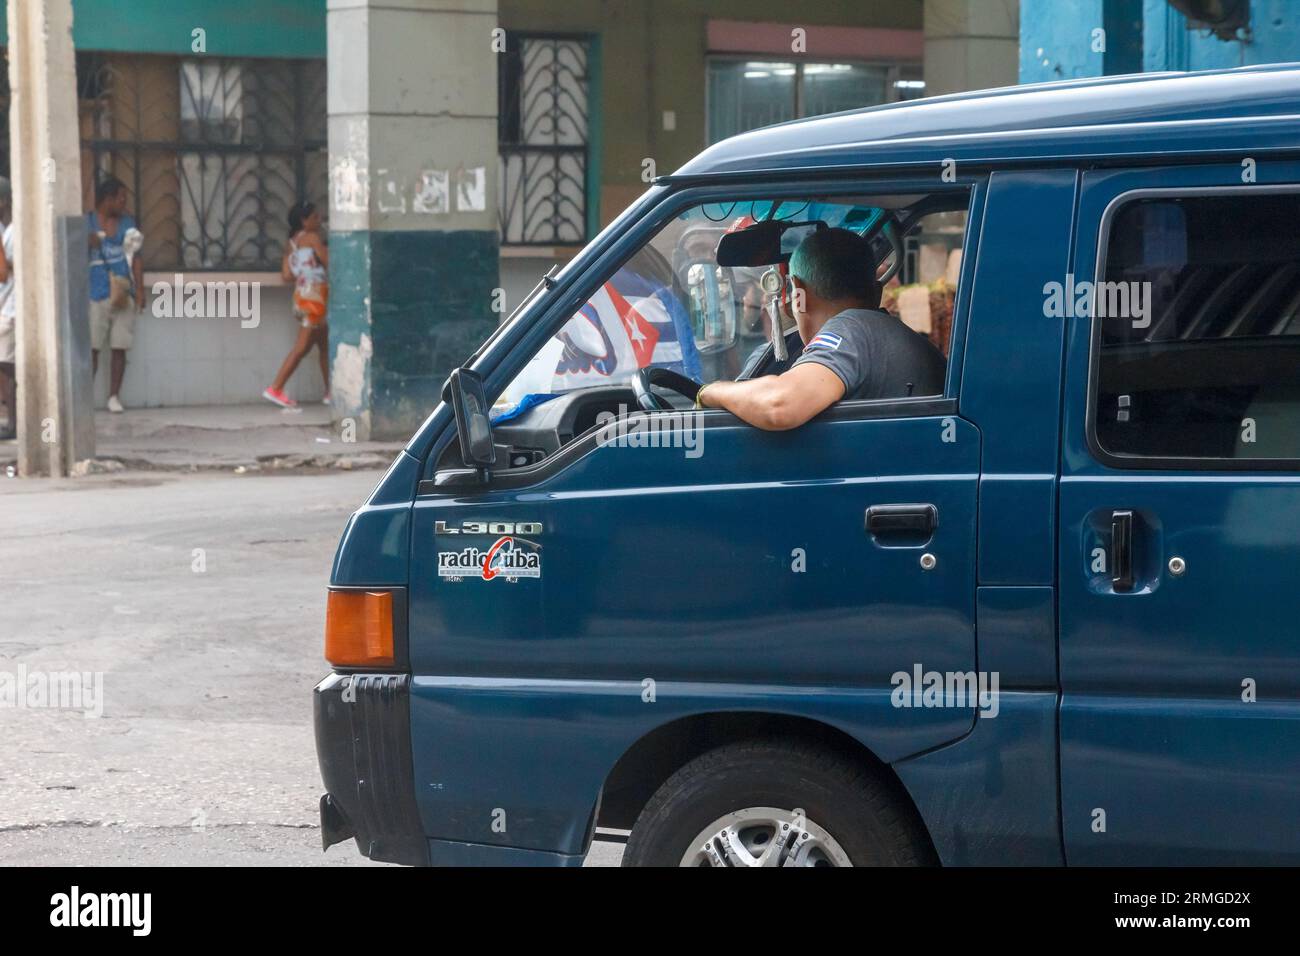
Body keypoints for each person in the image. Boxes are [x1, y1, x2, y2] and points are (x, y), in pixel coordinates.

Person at [696, 227, 945, 430]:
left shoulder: (850, 330)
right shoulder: (904, 340)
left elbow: (779, 406)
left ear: (798, 292)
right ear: (877, 292)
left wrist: (710, 392)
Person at [263, 202, 329, 408]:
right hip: (315, 298)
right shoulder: (312, 238)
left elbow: (286, 275)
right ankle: (276, 388)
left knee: (323, 345)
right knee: (301, 347)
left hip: (301, 296)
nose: (319, 221)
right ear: (304, 220)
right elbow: (328, 262)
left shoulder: (291, 243)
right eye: (315, 217)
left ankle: (330, 392)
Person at [88, 176, 145, 413]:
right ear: (108, 199)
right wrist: (85, 243)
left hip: (123, 292)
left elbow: (137, 258)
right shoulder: (87, 223)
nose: (124, 203)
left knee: (119, 347)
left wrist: (140, 290)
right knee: (92, 347)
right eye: (120, 198)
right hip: (95, 293)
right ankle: (84, 396)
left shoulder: (127, 224)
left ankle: (114, 396)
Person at [0, 177, 15, 440]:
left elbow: (2, 273)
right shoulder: (8, 228)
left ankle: (13, 423)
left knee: (7, 367)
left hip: (8, 308)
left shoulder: (9, 231)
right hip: (8, 305)